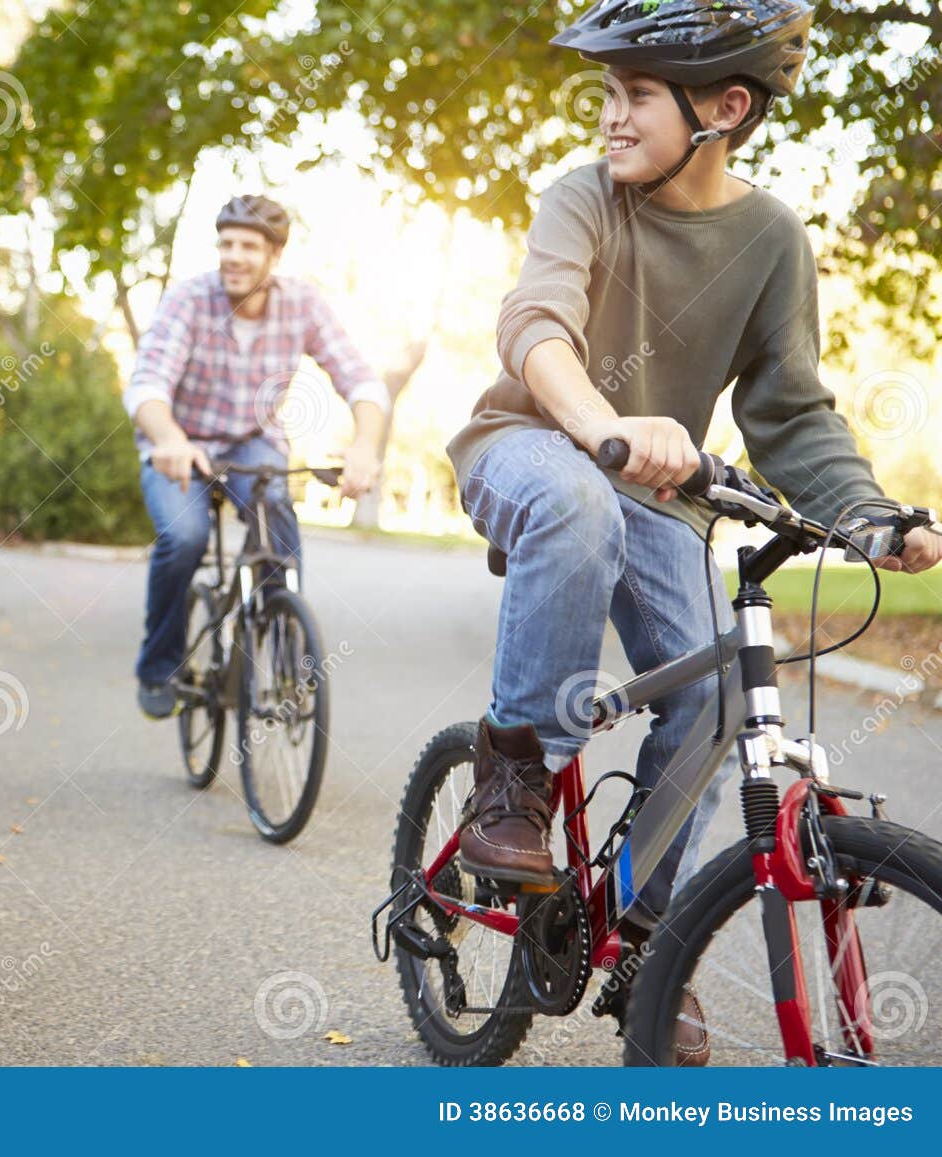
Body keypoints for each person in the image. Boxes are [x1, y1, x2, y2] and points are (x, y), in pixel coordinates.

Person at [445, 0, 942, 1057]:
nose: (609, 119)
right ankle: (514, 784)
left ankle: (640, 938)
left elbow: (789, 406)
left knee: (720, 695)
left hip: (658, 488)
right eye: (607, 94)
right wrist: (602, 423)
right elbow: (533, 322)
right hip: (531, 450)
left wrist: (863, 511)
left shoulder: (768, 238)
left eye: (633, 97)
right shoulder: (581, 196)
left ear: (722, 108)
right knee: (576, 498)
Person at [122, 194, 390, 719]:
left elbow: (362, 381)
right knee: (185, 538)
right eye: (226, 243)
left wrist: (365, 446)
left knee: (278, 525)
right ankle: (159, 665)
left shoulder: (302, 304)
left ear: (275, 256)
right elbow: (147, 386)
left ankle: (287, 659)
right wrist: (170, 439)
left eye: (248, 246)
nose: (234, 256)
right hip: (184, 443)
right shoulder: (189, 300)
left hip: (253, 441)